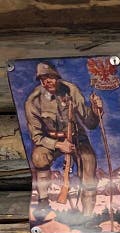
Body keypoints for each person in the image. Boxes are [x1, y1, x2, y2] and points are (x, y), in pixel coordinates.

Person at [24, 62, 103, 215]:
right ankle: (43, 202)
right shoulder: (32, 102)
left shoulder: (71, 90)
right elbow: (37, 136)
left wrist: (96, 109)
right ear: (40, 81)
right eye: (43, 78)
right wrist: (58, 145)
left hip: (76, 137)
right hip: (50, 140)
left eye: (51, 77)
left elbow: (90, 123)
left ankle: (87, 215)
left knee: (88, 160)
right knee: (39, 157)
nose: (48, 81)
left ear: (57, 77)